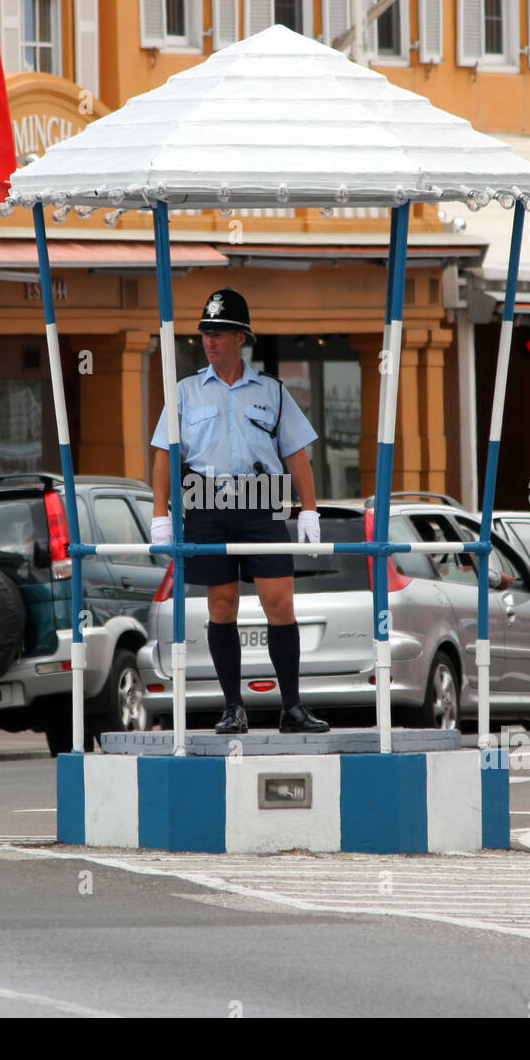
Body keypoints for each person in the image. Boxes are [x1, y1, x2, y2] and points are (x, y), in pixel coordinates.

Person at [150, 287, 329, 735]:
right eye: (206, 332)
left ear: (241, 337)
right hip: (207, 503)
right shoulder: (186, 392)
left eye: (219, 332)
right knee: (222, 605)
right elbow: (164, 456)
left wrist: (308, 510)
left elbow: (296, 454)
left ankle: (291, 707)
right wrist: (160, 515)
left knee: (279, 603)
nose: (209, 340)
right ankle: (233, 707)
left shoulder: (271, 390)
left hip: (261, 500)